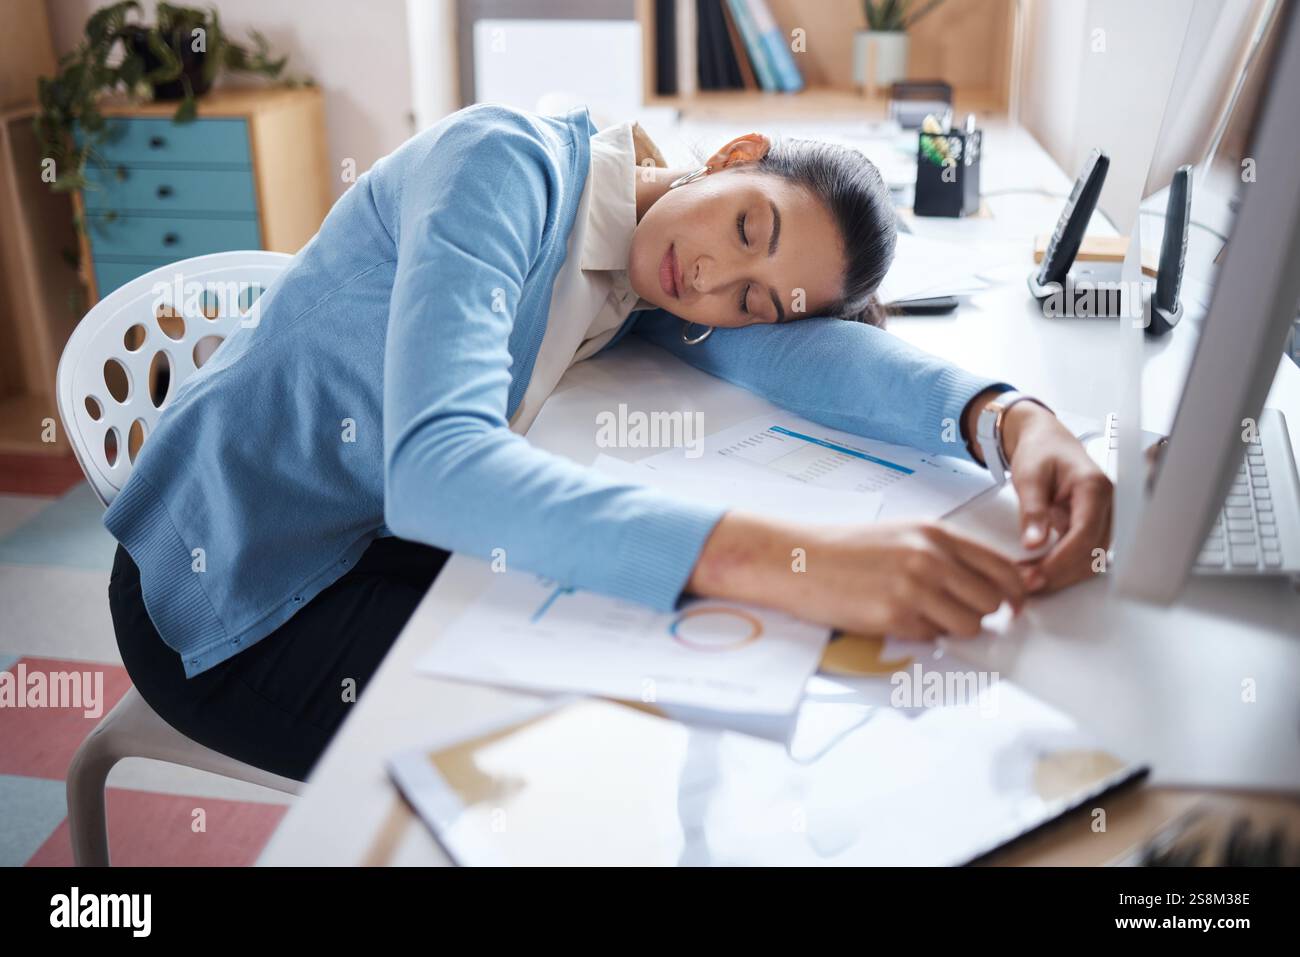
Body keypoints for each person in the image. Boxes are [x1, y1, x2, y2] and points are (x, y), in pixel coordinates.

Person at [106, 104, 1111, 781]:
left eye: (754, 297)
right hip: (223, 590)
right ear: (730, 156)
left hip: (357, 536)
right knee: (577, 758)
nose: (713, 280)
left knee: (660, 672)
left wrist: (1011, 421)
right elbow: (433, 469)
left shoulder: (646, 265)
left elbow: (805, 360)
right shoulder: (504, 164)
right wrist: (790, 564)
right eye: (748, 227)